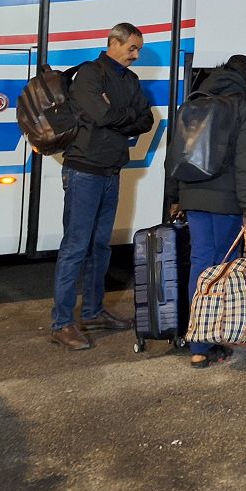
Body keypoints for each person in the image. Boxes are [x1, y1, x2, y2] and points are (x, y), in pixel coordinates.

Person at [50, 23, 154, 350]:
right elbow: (101, 114)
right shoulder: (90, 75)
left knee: (100, 247)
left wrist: (116, 112)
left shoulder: (130, 80)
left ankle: (93, 311)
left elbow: (146, 120)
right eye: (132, 48)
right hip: (84, 171)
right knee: (75, 247)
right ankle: (62, 323)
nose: (136, 55)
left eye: (138, 49)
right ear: (113, 42)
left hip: (111, 171)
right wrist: (122, 115)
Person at [166, 54, 246, 368]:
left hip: (193, 195)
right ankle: (213, 337)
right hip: (226, 201)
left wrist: (174, 196)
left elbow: (175, 152)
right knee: (223, 268)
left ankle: (196, 340)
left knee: (200, 263)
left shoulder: (198, 100)